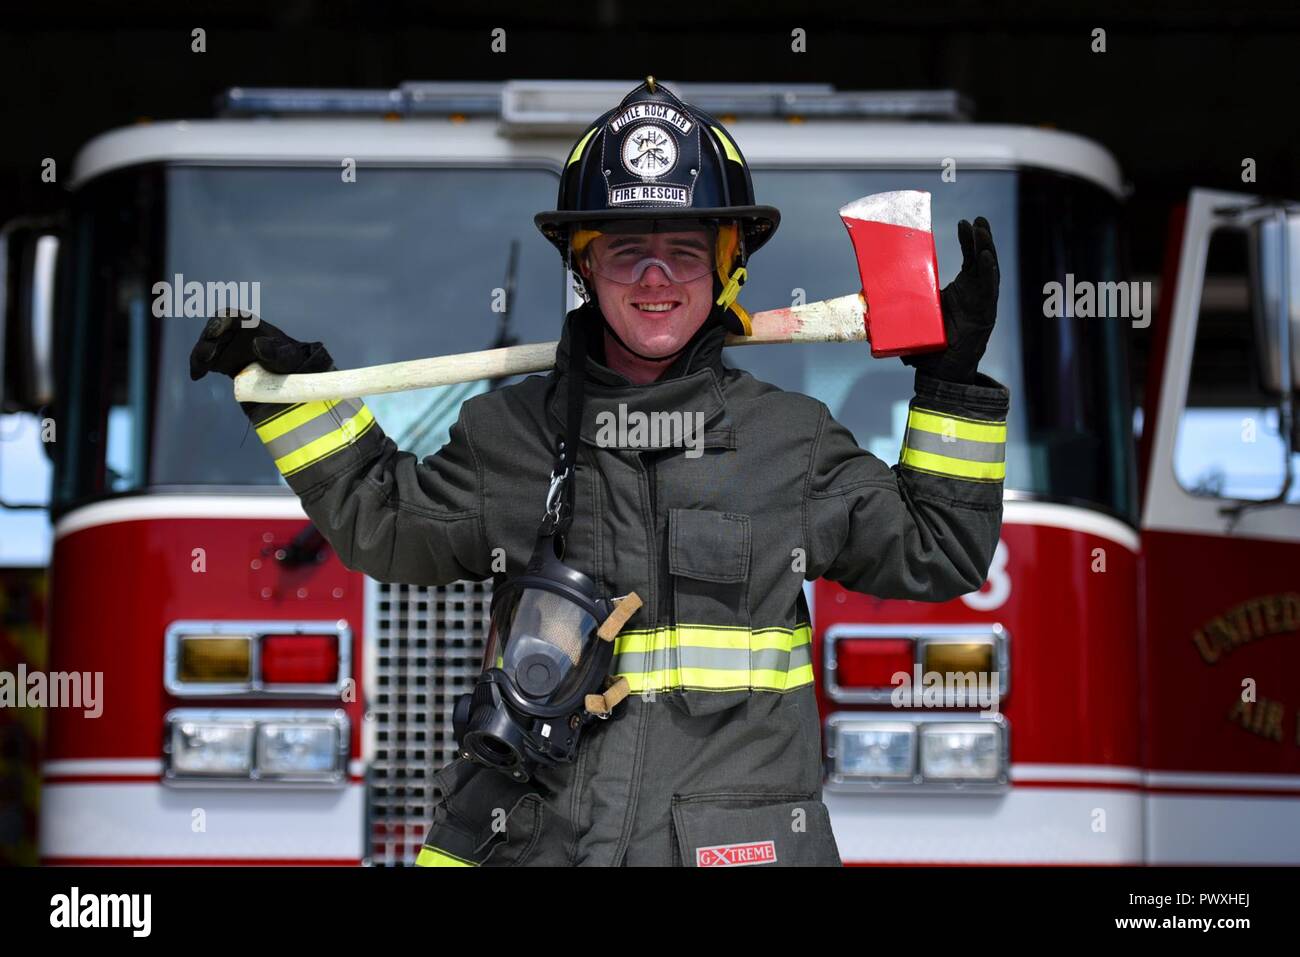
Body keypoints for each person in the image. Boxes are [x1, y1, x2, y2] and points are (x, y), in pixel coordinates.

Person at [190, 77, 1008, 867]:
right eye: (626, 253)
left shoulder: (787, 442)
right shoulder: (509, 432)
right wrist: (294, 395)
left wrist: (953, 385)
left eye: (684, 252)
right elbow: (384, 526)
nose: (656, 279)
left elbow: (939, 549)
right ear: (583, 266)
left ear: (730, 266)